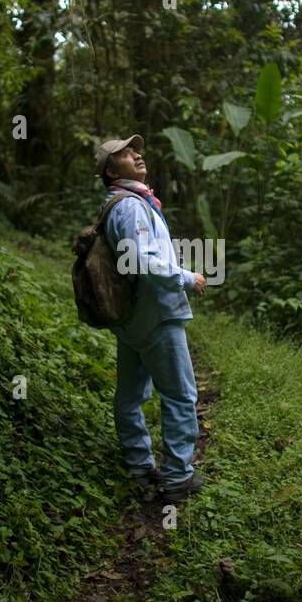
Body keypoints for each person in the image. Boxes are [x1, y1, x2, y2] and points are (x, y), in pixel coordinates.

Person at [94, 134, 208, 503]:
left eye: (135, 150)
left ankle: (139, 466)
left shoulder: (128, 203)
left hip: (132, 319)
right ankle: (176, 478)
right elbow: (140, 259)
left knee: (131, 394)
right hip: (156, 316)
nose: (137, 154)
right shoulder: (130, 207)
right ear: (112, 170)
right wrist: (186, 278)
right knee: (179, 395)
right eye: (126, 154)